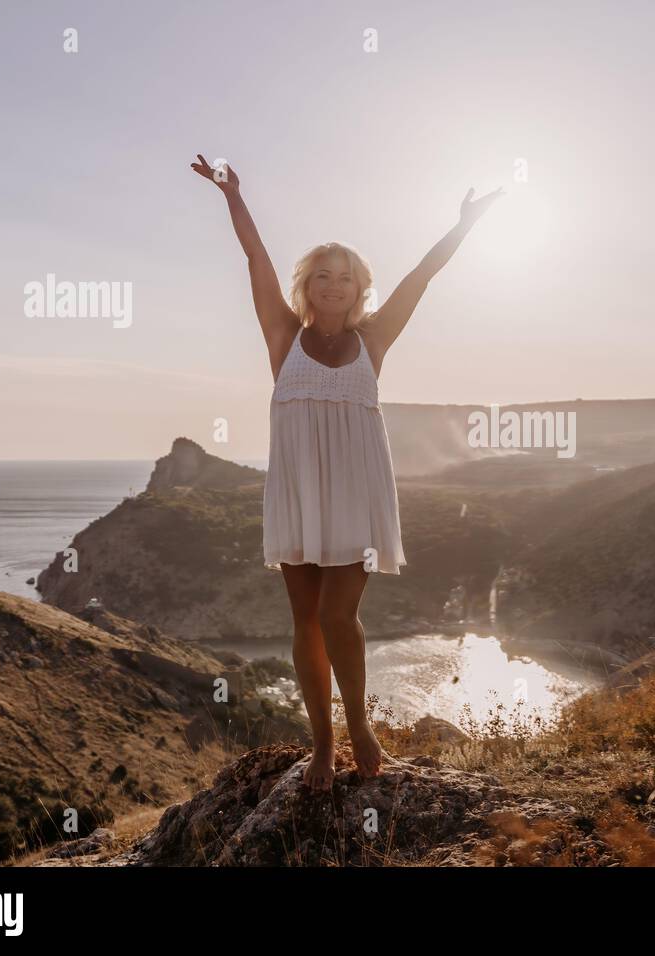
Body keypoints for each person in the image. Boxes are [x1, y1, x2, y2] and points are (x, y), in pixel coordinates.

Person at [191, 153, 501, 788]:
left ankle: (359, 726)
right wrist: (233, 197)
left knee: (338, 617)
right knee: (304, 621)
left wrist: (463, 225)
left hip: (356, 496)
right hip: (300, 493)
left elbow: (422, 275)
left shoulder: (376, 339)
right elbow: (256, 260)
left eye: (347, 277)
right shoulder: (281, 334)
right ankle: (323, 745)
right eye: (323, 275)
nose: (334, 285)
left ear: (361, 289)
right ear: (308, 285)